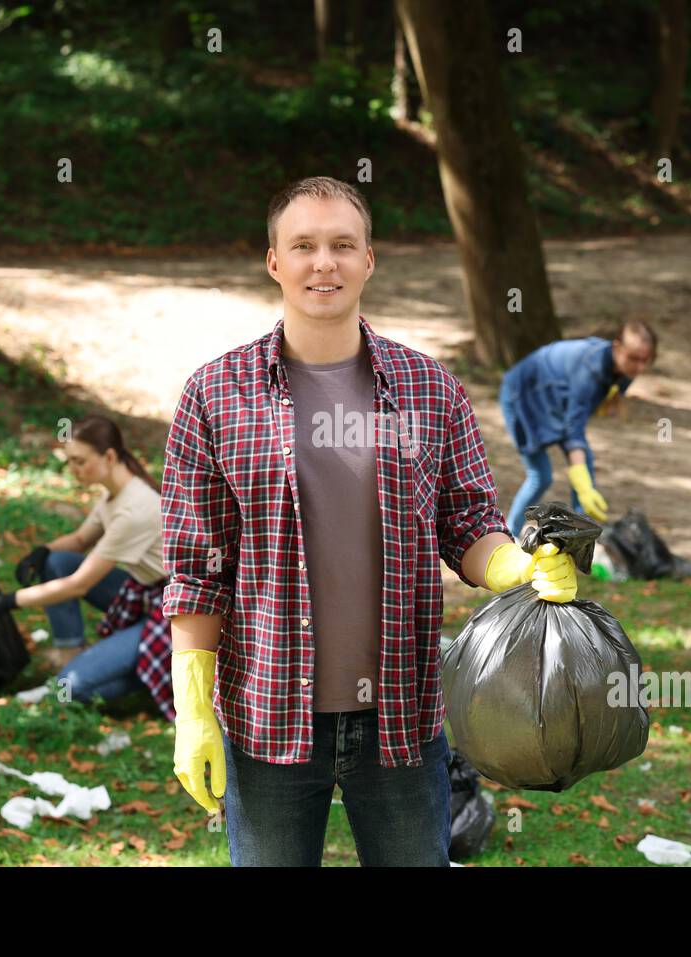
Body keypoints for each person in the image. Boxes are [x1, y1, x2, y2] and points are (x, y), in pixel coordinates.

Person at [160, 176, 575, 867]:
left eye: (342, 245)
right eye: (304, 246)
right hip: (266, 719)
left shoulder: (429, 387)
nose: (324, 263)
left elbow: (468, 518)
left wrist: (518, 566)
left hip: (403, 718)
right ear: (274, 262)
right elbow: (197, 566)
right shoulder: (215, 394)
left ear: (369, 259)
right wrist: (194, 710)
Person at [0, 416, 174, 717]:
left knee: (70, 687)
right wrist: (42, 552)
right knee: (57, 562)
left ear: (108, 456)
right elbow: (82, 538)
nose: (73, 470)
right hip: (144, 593)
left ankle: (146, 675)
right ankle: (74, 652)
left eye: (80, 462)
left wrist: (7, 602)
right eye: (69, 462)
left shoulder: (135, 509)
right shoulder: (115, 490)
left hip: (171, 613)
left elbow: (79, 584)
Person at [499, 319, 656, 536]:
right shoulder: (588, 372)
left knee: (585, 465)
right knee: (541, 475)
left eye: (644, 361)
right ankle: (509, 533)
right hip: (522, 397)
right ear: (617, 347)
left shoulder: (623, 369)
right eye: (634, 359)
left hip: (556, 402)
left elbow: (594, 404)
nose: (639, 368)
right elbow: (574, 431)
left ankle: (580, 537)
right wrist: (584, 486)